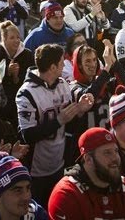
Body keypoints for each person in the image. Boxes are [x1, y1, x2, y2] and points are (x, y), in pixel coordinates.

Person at [17, 43, 95, 202]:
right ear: (52, 67)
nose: (64, 66)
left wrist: (80, 110)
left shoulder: (63, 84)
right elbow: (28, 135)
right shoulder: (26, 93)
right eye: (61, 63)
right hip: (36, 169)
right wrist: (59, 121)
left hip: (59, 163)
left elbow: (70, 123)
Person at [47, 127, 125, 220]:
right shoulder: (67, 194)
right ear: (88, 159)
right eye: (107, 153)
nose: (115, 158)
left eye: (116, 151)